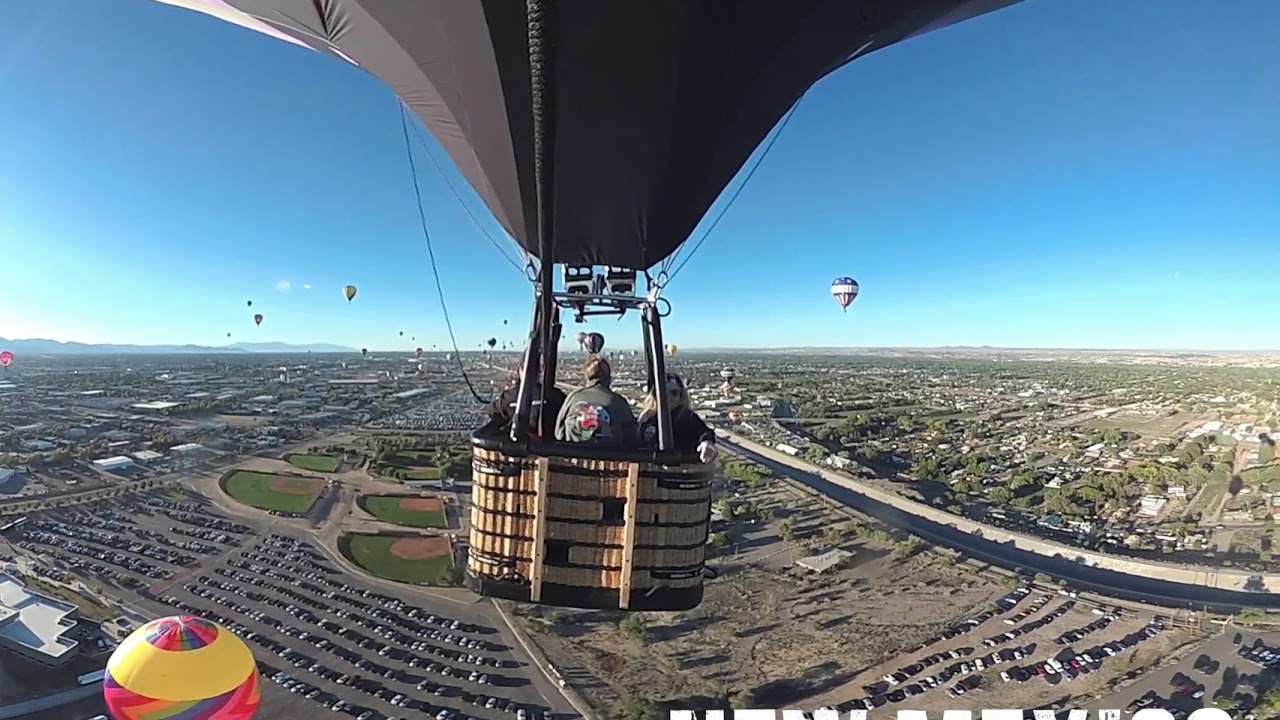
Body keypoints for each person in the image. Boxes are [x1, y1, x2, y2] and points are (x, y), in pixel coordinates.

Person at [554, 355, 638, 446]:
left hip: (574, 457)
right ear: (609, 379)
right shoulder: (619, 402)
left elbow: (558, 433)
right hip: (609, 456)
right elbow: (632, 438)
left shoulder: (572, 398)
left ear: (586, 377)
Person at [638, 372, 718, 463]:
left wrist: (707, 443)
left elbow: (704, 432)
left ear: (681, 396)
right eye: (661, 392)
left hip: (677, 472)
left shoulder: (686, 416)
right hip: (647, 471)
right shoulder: (647, 418)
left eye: (674, 393)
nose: (667, 397)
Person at [487, 364, 566, 439]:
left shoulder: (510, 396)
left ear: (520, 370)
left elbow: (492, 412)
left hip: (517, 449)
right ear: (539, 371)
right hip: (550, 449)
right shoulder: (555, 395)